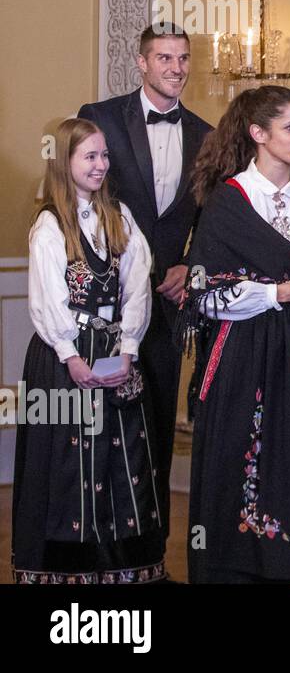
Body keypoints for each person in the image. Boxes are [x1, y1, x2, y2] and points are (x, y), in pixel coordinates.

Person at [180, 85, 290, 583]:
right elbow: (205, 295)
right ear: (259, 134)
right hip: (243, 360)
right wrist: (278, 293)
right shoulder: (227, 202)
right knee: (244, 473)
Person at [12, 118, 163, 584]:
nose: (101, 165)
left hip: (115, 352)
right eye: (89, 157)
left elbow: (137, 284)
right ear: (65, 161)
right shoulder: (49, 226)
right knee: (69, 460)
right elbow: (46, 301)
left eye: (104, 156)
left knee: (123, 458)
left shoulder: (118, 215)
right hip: (65, 359)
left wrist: (130, 346)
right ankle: (64, 569)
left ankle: (124, 566)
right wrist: (71, 356)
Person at [78, 23, 213, 547]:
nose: (176, 68)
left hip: (169, 304)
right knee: (104, 422)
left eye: (183, 58)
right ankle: (96, 550)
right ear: (141, 62)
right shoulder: (102, 118)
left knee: (155, 425)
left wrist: (190, 264)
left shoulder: (206, 133)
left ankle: (150, 555)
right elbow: (82, 201)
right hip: (104, 303)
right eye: (164, 58)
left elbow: (213, 220)